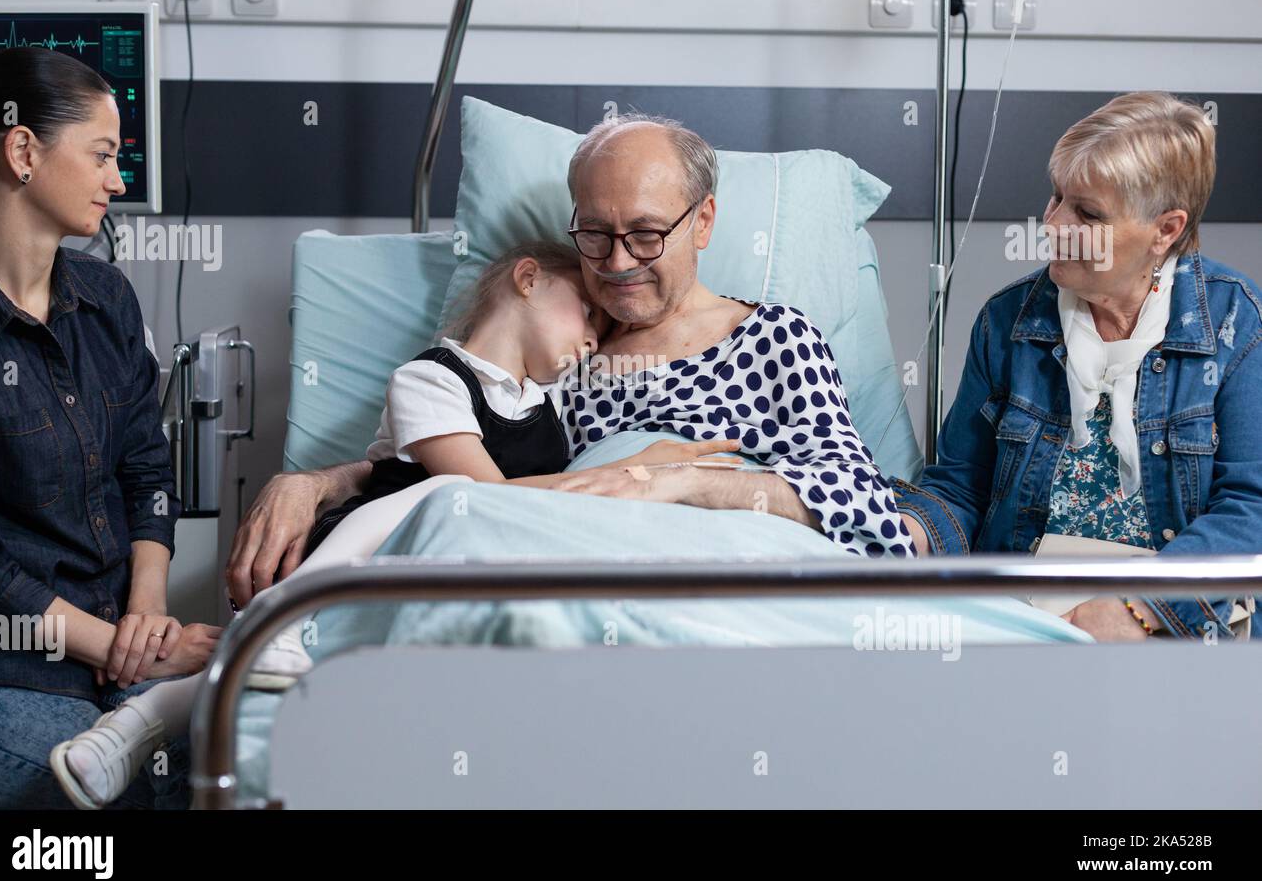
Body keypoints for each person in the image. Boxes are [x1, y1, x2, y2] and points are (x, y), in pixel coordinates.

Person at [49, 238, 740, 808]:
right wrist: (629, 470)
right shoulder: (431, 379)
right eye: (588, 312)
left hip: (451, 571)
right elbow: (479, 494)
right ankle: (278, 624)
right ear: (528, 280)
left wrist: (652, 467)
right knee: (442, 499)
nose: (594, 338)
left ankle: (145, 718)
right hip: (369, 550)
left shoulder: (554, 401)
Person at [224, 112, 916, 604]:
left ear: (703, 222)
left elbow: (870, 514)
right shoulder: (555, 366)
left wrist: (685, 485)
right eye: (594, 234)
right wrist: (319, 483)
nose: (616, 265)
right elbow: (465, 473)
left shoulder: (776, 340)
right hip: (561, 583)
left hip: (722, 580)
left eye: (646, 235)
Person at [892, 91, 1261, 641]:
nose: (1052, 223)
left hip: (1181, 621)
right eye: (1056, 197)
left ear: (1166, 230)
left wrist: (1139, 609)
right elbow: (962, 489)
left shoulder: (1236, 325)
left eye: (1087, 213)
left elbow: (1249, 511)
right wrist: (900, 534)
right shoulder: (1008, 321)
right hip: (1025, 611)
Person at [0, 47, 218, 809]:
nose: (119, 180)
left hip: (121, 643)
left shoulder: (107, 298)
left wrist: (145, 614)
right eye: (104, 155)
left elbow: (145, 466)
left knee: (235, 764)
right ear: (22, 151)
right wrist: (130, 652)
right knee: (127, 802)